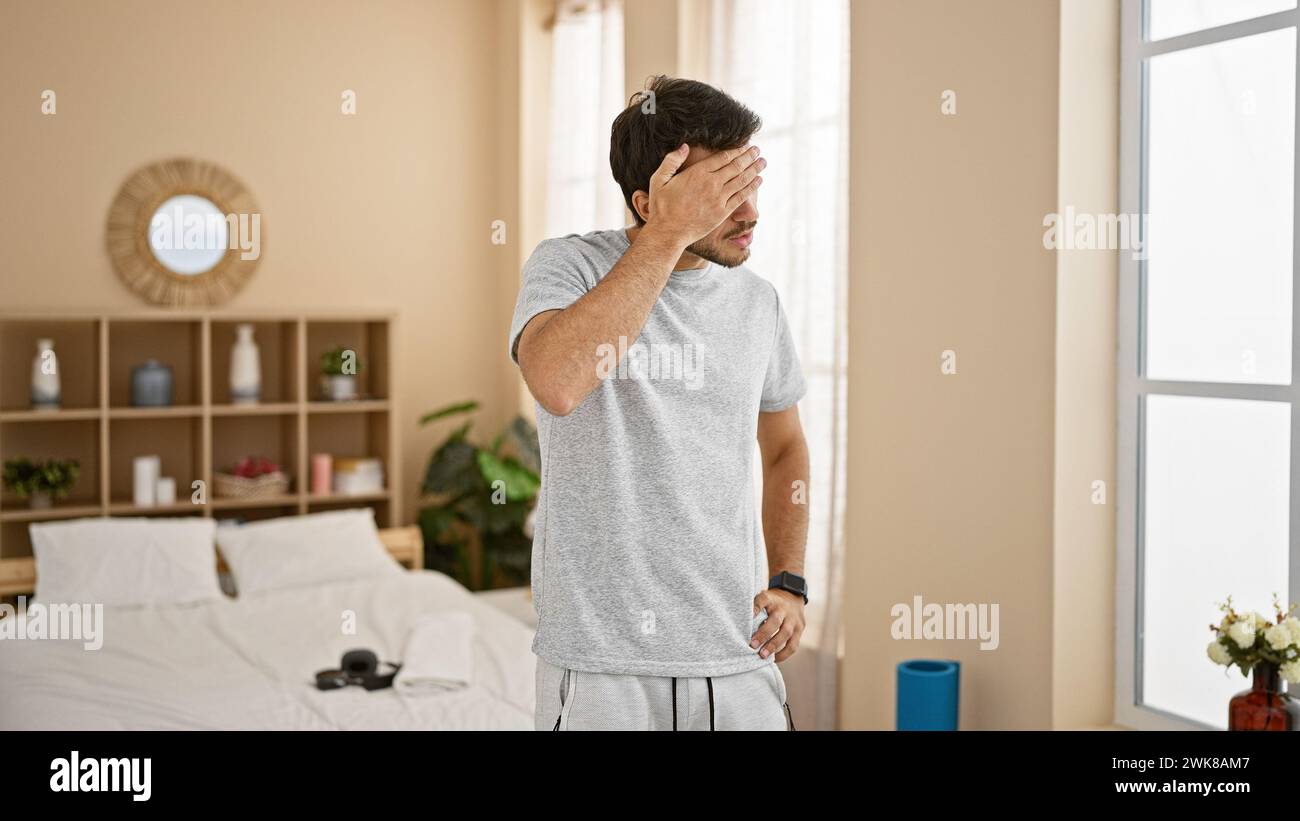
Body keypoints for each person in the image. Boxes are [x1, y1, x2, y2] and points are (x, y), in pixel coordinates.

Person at [510, 76, 810, 731]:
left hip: (737, 654)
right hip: (601, 669)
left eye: (748, 185)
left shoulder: (759, 304)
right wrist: (666, 237)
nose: (749, 212)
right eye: (719, 194)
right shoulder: (568, 268)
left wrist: (790, 580)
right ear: (650, 201)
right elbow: (558, 382)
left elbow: (785, 448)